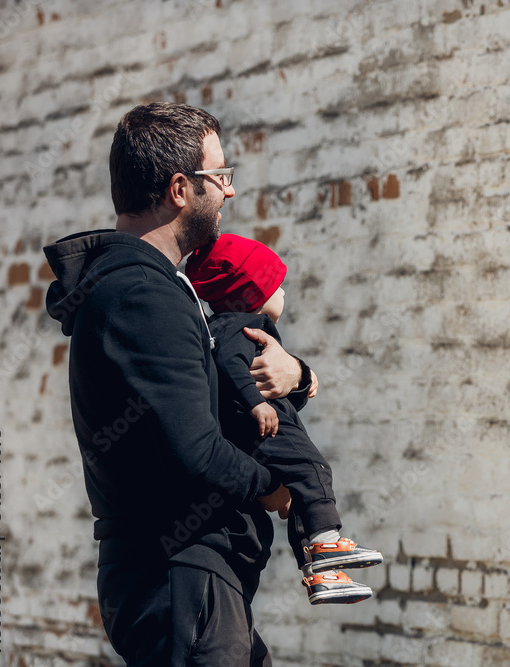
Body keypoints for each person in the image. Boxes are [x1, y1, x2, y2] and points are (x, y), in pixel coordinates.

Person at [44, 102, 308, 666]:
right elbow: (195, 448)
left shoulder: (160, 286)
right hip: (177, 574)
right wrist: (276, 489)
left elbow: (216, 400)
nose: (230, 193)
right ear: (181, 188)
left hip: (191, 578)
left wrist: (296, 374)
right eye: (222, 177)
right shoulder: (143, 294)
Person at [184, 234, 383, 604]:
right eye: (276, 285)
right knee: (314, 470)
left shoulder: (232, 327)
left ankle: (321, 575)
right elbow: (232, 367)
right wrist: (256, 405)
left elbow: (266, 379)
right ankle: (326, 545)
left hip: (266, 428)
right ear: (252, 294)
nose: (284, 292)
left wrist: (300, 377)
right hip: (268, 429)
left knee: (299, 497)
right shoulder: (239, 328)